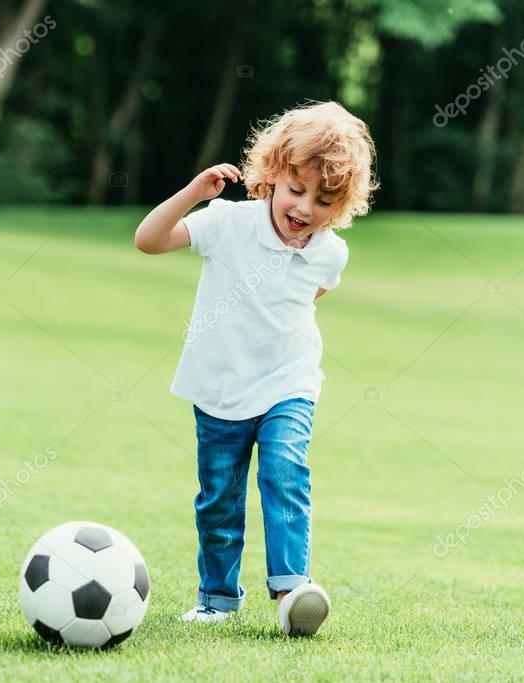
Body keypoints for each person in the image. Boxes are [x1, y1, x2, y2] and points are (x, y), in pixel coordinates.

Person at [133, 101, 377, 636]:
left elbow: (305, 299)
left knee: (284, 469)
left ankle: (292, 591)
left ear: (342, 205)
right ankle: (218, 598)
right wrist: (193, 195)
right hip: (220, 386)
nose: (305, 208)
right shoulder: (226, 223)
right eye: (296, 189)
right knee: (219, 499)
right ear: (272, 174)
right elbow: (148, 241)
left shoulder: (330, 253)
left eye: (324, 200)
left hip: (290, 382)